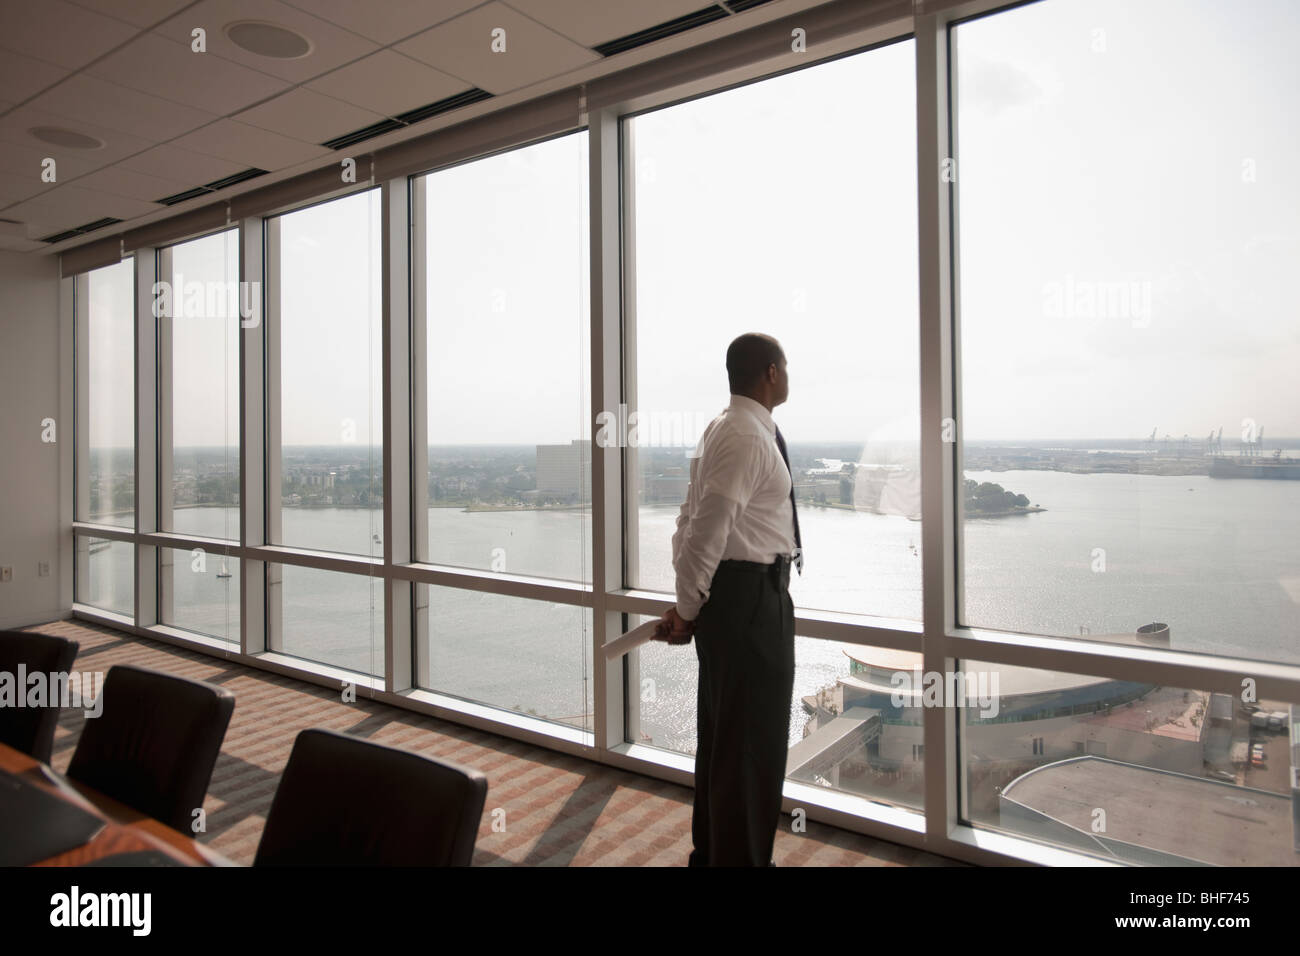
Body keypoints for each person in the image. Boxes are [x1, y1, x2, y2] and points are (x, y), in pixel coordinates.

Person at [653, 331, 802, 867]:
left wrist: (690, 606)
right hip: (750, 603)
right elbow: (705, 533)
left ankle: (714, 855)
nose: (789, 375)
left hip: (740, 601)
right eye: (786, 366)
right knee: (750, 749)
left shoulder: (726, 427)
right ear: (770, 372)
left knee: (726, 742)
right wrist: (690, 610)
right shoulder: (745, 436)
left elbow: (688, 523)